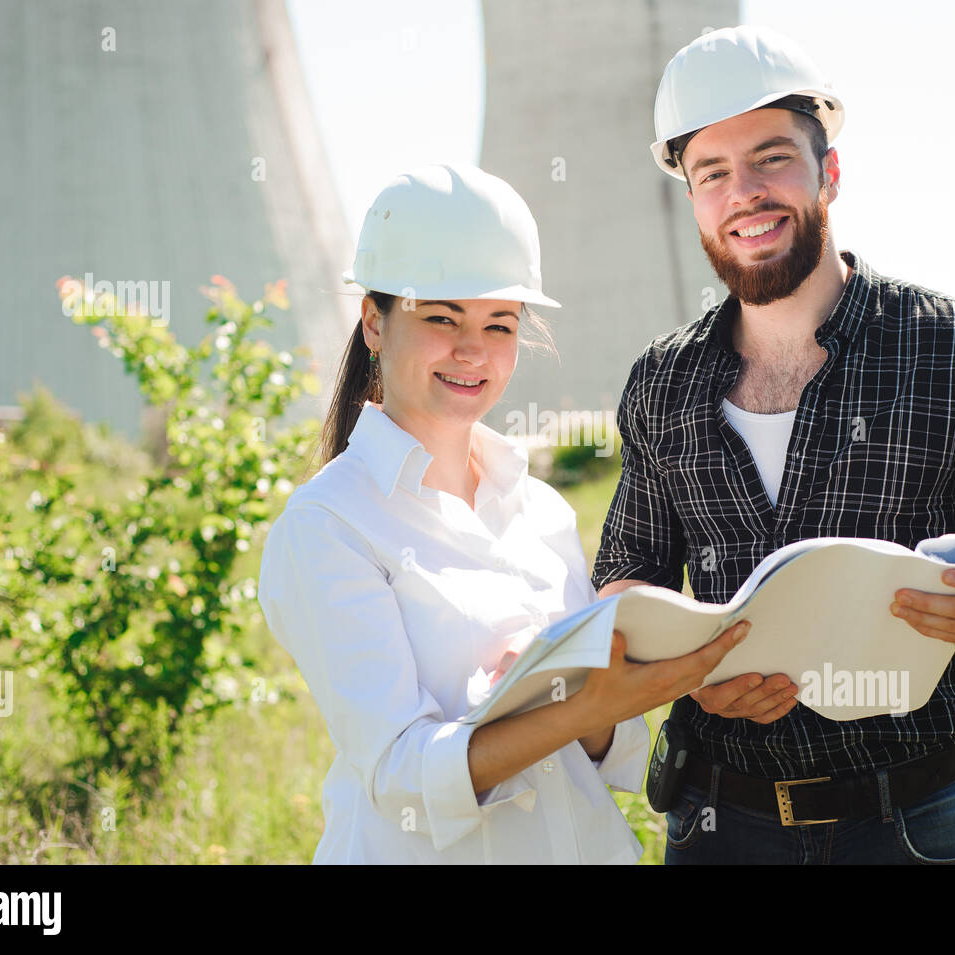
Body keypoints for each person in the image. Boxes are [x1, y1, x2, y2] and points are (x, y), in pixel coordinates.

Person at [592, 26, 955, 864]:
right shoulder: (661, 383)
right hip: (716, 823)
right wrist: (693, 674)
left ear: (829, 173)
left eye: (772, 158)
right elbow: (624, 585)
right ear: (693, 197)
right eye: (713, 174)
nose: (745, 193)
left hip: (911, 823)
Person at [256, 163, 749, 864]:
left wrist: (600, 695)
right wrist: (572, 705)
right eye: (440, 318)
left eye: (499, 324)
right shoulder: (329, 525)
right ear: (374, 320)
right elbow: (402, 782)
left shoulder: (540, 510)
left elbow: (613, 758)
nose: (472, 350)